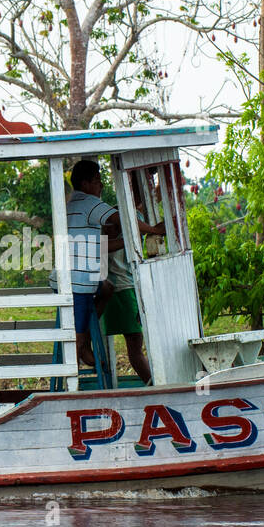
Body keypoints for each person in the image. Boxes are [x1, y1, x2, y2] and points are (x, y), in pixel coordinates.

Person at [102, 182, 166, 385]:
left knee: (138, 342)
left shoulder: (133, 214)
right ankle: (152, 385)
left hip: (129, 284)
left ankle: (152, 384)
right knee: (135, 344)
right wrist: (154, 229)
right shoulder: (118, 215)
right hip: (121, 285)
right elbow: (105, 245)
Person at [63, 159, 124, 373]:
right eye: (98, 181)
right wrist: (152, 231)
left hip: (77, 276)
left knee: (106, 288)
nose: (101, 186)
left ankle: (86, 336)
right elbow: (120, 219)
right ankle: (80, 350)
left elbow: (100, 246)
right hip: (77, 281)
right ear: (86, 183)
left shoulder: (73, 204)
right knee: (76, 337)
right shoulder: (89, 203)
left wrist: (128, 240)